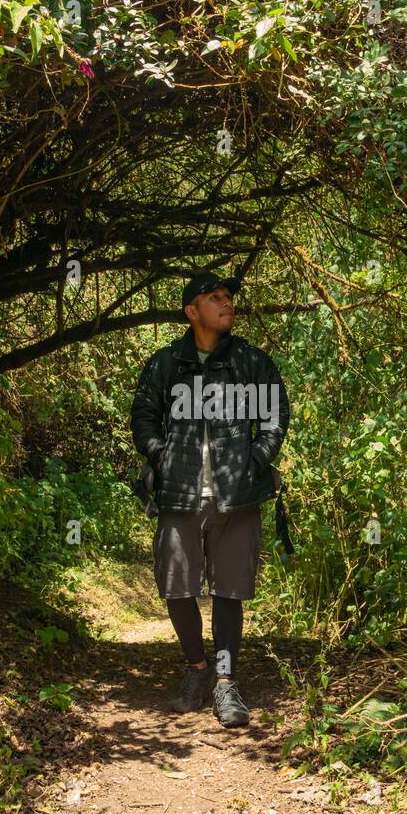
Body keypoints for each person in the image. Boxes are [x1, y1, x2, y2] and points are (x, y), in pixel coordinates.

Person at [129, 272, 290, 727]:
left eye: (229, 297)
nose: (226, 303)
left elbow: (275, 416)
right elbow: (143, 414)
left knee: (228, 590)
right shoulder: (166, 364)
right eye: (215, 297)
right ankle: (196, 669)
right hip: (179, 494)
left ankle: (225, 682)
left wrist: (255, 460)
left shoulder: (251, 362)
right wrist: (159, 454)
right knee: (177, 587)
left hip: (235, 496)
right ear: (192, 311)